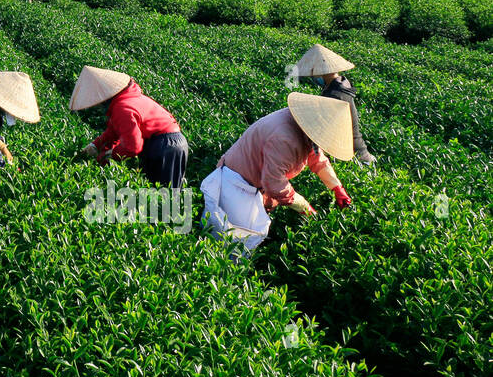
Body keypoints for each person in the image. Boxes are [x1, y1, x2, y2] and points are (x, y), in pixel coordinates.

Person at [201, 93, 354, 253]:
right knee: (229, 244)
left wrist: (337, 187)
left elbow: (316, 156)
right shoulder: (285, 138)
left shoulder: (303, 124)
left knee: (231, 238)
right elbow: (274, 183)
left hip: (252, 184)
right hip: (237, 185)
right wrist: (303, 205)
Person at [70, 65, 190, 189]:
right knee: (157, 194)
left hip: (165, 146)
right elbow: (114, 131)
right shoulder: (127, 100)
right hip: (167, 143)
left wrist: (110, 154)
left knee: (164, 197)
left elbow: (133, 147)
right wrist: (96, 145)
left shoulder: (122, 108)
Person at [296, 44, 376, 166]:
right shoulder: (341, 85)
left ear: (321, 73)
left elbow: (325, 132)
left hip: (355, 157)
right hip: (358, 151)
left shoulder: (335, 95)